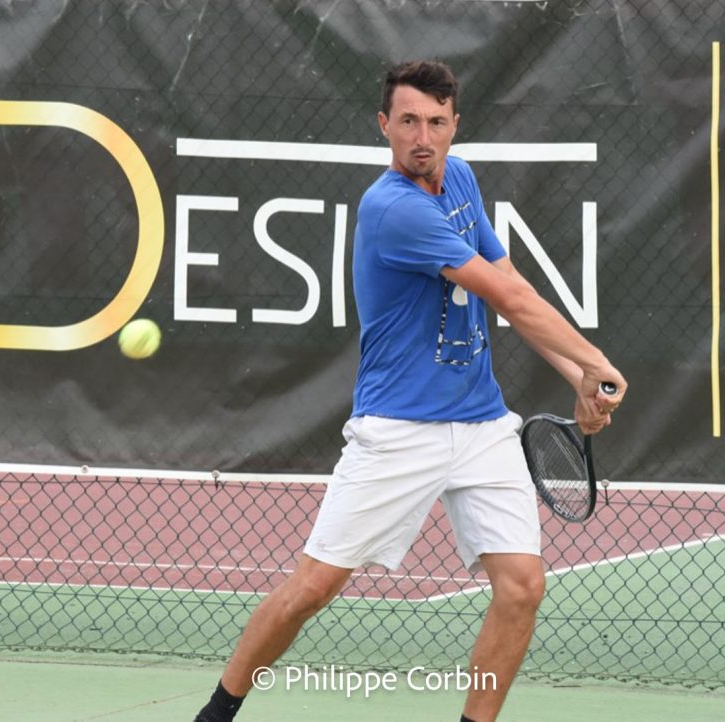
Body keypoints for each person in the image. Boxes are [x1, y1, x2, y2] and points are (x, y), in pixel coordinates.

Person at [194, 60, 627, 722]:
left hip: (481, 423)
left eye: (436, 122)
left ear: (455, 125)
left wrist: (576, 378)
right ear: (384, 125)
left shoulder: (461, 179)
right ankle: (217, 713)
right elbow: (508, 297)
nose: (423, 138)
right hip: (398, 428)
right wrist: (595, 360)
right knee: (312, 590)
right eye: (408, 122)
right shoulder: (392, 209)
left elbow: (513, 287)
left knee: (522, 587)